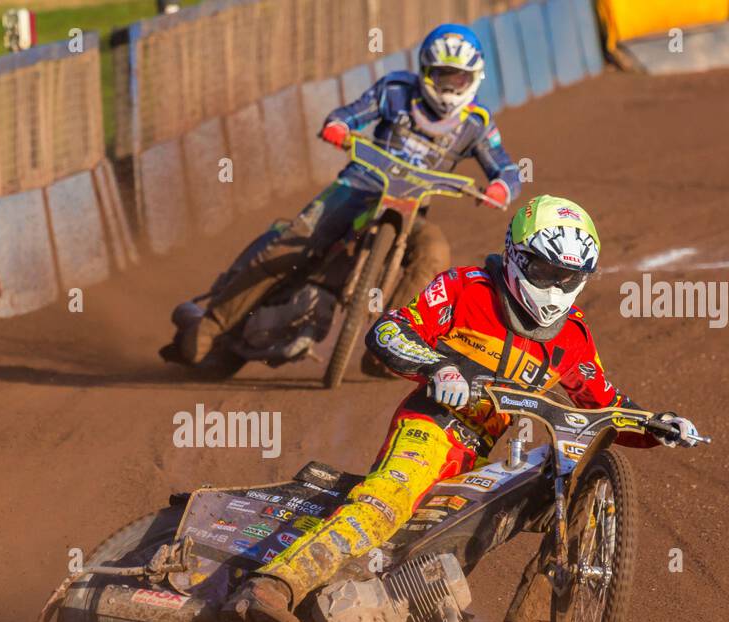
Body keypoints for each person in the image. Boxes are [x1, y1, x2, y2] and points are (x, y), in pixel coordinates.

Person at [222, 195, 702, 622]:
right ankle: (273, 586)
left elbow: (605, 405)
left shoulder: (571, 337)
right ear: (515, 257)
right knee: (389, 499)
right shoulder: (465, 289)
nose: (555, 288)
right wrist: (437, 365)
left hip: (480, 459)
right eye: (544, 270)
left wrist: (659, 424)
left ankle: (364, 617)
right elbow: (389, 330)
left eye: (568, 277)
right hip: (431, 426)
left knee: (446, 551)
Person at [168, 23, 521, 371]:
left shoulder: (477, 123)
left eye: (457, 78)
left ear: (474, 78)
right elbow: (350, 114)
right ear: (425, 71)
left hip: (410, 211)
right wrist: (339, 127)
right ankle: (209, 330)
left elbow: (505, 168)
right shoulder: (396, 89)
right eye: (441, 75)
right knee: (292, 243)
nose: (448, 87)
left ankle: (396, 348)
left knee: (435, 253)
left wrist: (500, 187)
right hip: (357, 188)